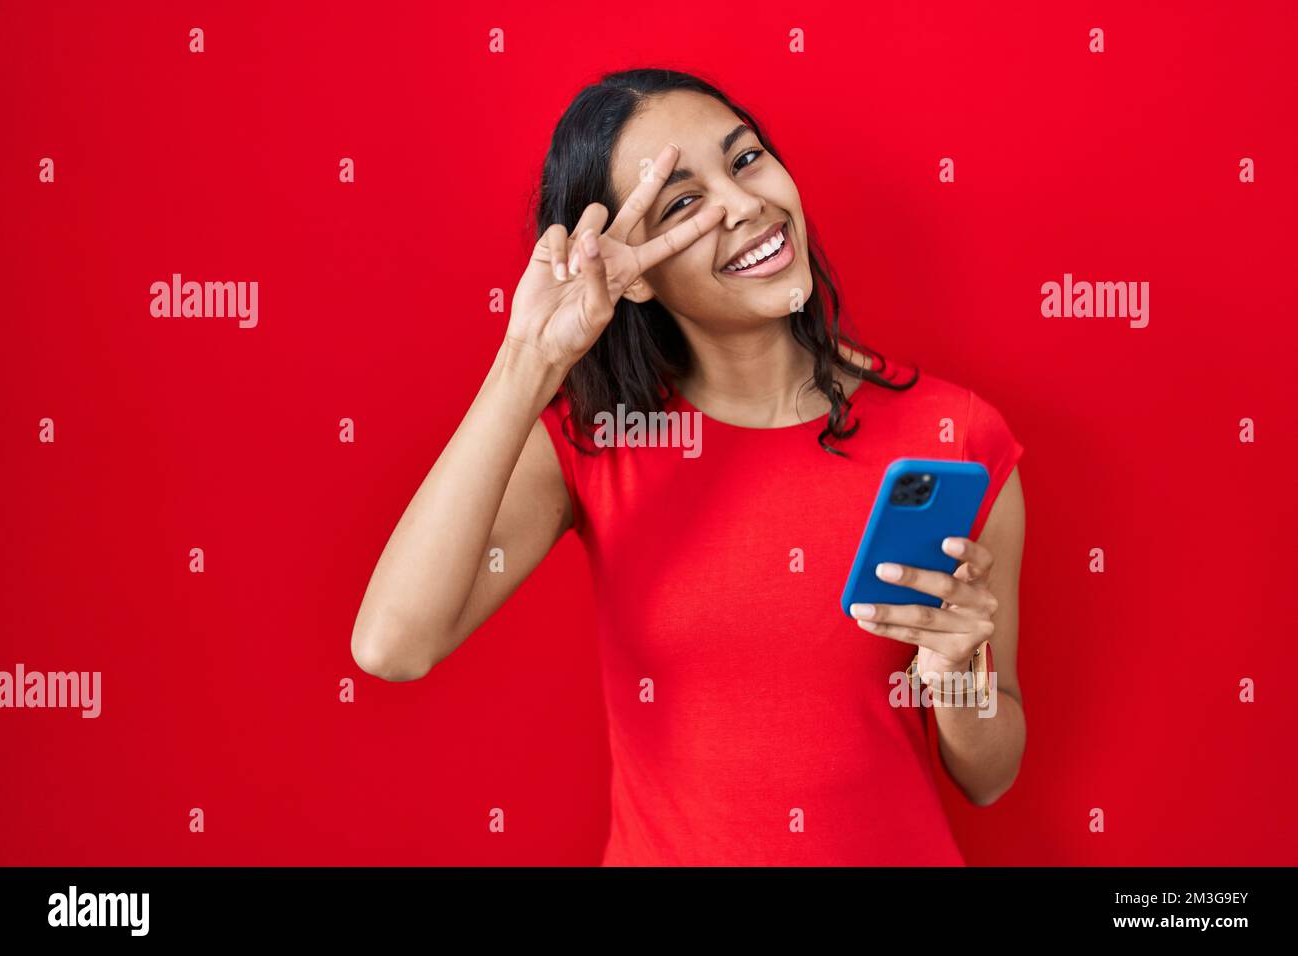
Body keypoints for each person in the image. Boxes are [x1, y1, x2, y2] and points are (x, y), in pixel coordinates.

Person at [351, 68, 1027, 865]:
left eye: (745, 160)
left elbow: (988, 776)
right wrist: (530, 357)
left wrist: (953, 671)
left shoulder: (954, 434)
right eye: (681, 204)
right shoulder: (597, 440)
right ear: (629, 274)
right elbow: (392, 646)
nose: (744, 205)